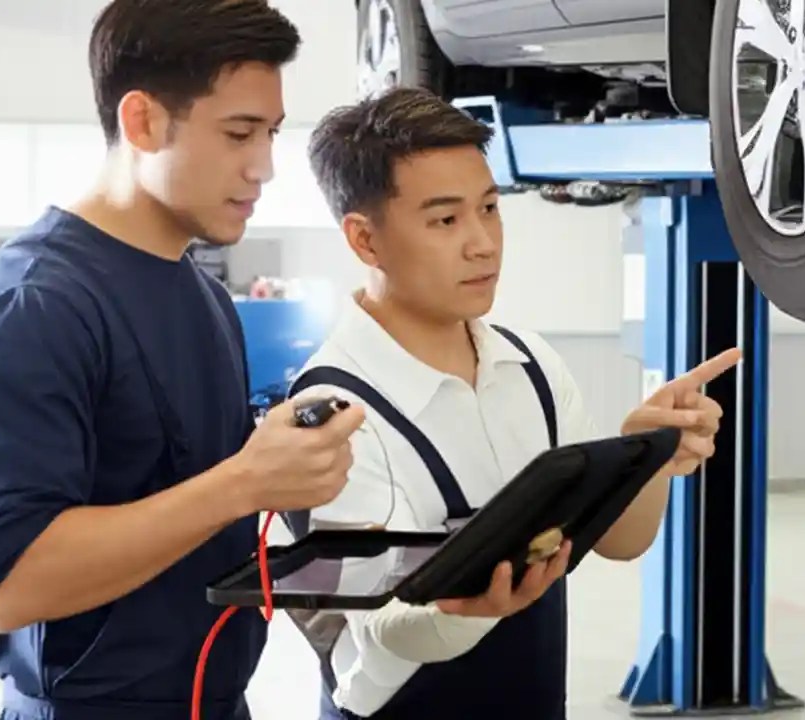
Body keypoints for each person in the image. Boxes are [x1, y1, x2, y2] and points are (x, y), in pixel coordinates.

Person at [0, 2, 365, 719]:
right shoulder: (34, 306)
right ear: (142, 122)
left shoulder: (204, 295)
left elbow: (196, 505)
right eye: (238, 134)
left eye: (272, 133)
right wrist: (241, 483)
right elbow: (7, 588)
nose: (264, 167)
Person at [288, 86, 741, 720]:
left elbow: (617, 543)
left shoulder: (529, 366)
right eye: (446, 220)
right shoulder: (330, 409)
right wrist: (463, 606)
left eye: (491, 209)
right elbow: (369, 628)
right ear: (365, 240)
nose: (483, 243)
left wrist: (650, 455)